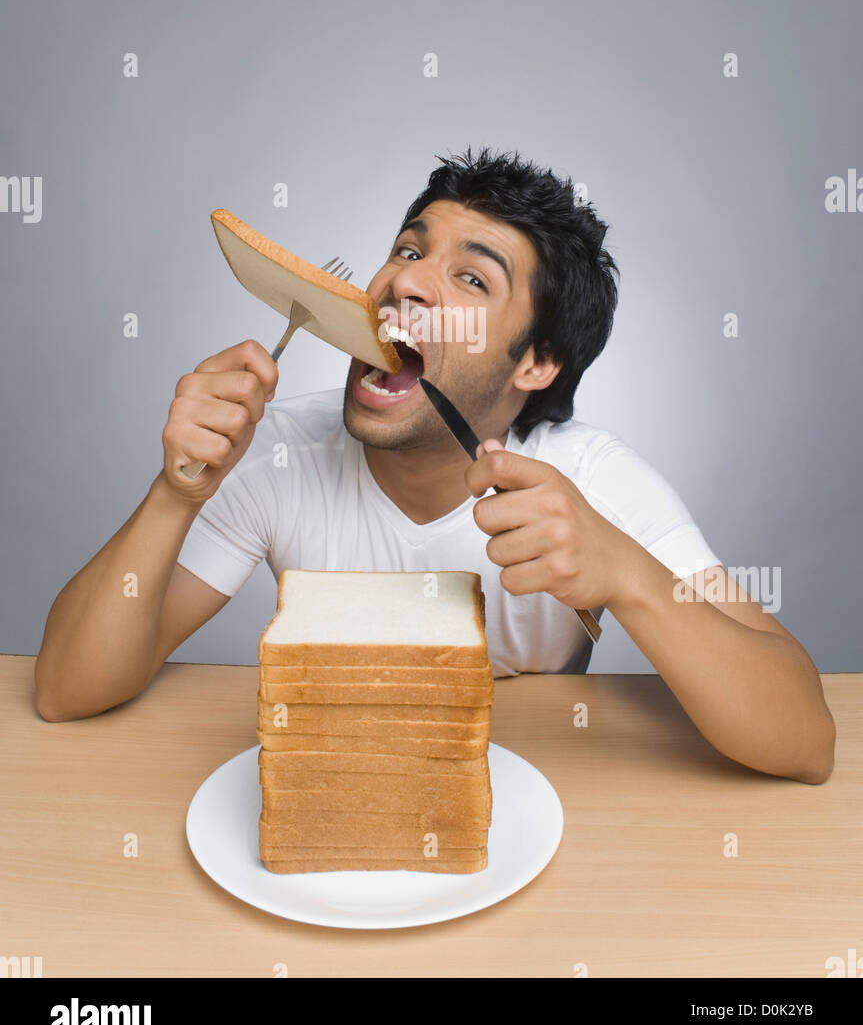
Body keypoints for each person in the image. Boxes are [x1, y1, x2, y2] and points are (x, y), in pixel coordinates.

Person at [35, 148, 836, 783]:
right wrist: (176, 493)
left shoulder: (591, 485)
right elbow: (69, 691)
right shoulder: (277, 450)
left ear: (536, 363)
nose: (406, 279)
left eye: (470, 277)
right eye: (408, 249)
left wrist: (624, 571)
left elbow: (802, 741)